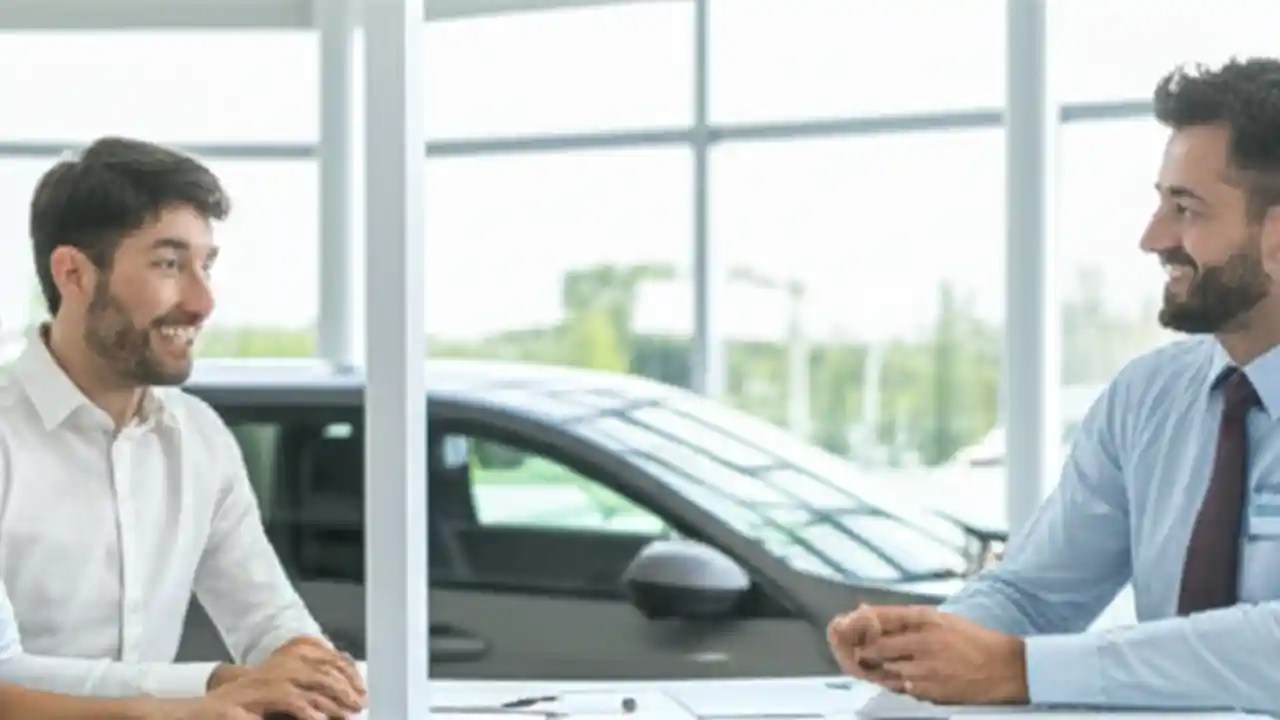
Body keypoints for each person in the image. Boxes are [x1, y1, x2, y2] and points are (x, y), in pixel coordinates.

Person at [828, 57, 1280, 715]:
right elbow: (1035, 595)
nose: (1152, 238)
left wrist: (1019, 668)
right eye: (1160, 202)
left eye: (1186, 209)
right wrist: (927, 645)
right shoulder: (1148, 398)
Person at [0, 136, 365, 717]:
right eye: (169, 264)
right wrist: (211, 685)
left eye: (206, 264)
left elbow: (268, 618)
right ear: (74, 274)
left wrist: (306, 669)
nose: (203, 301)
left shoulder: (199, 438)